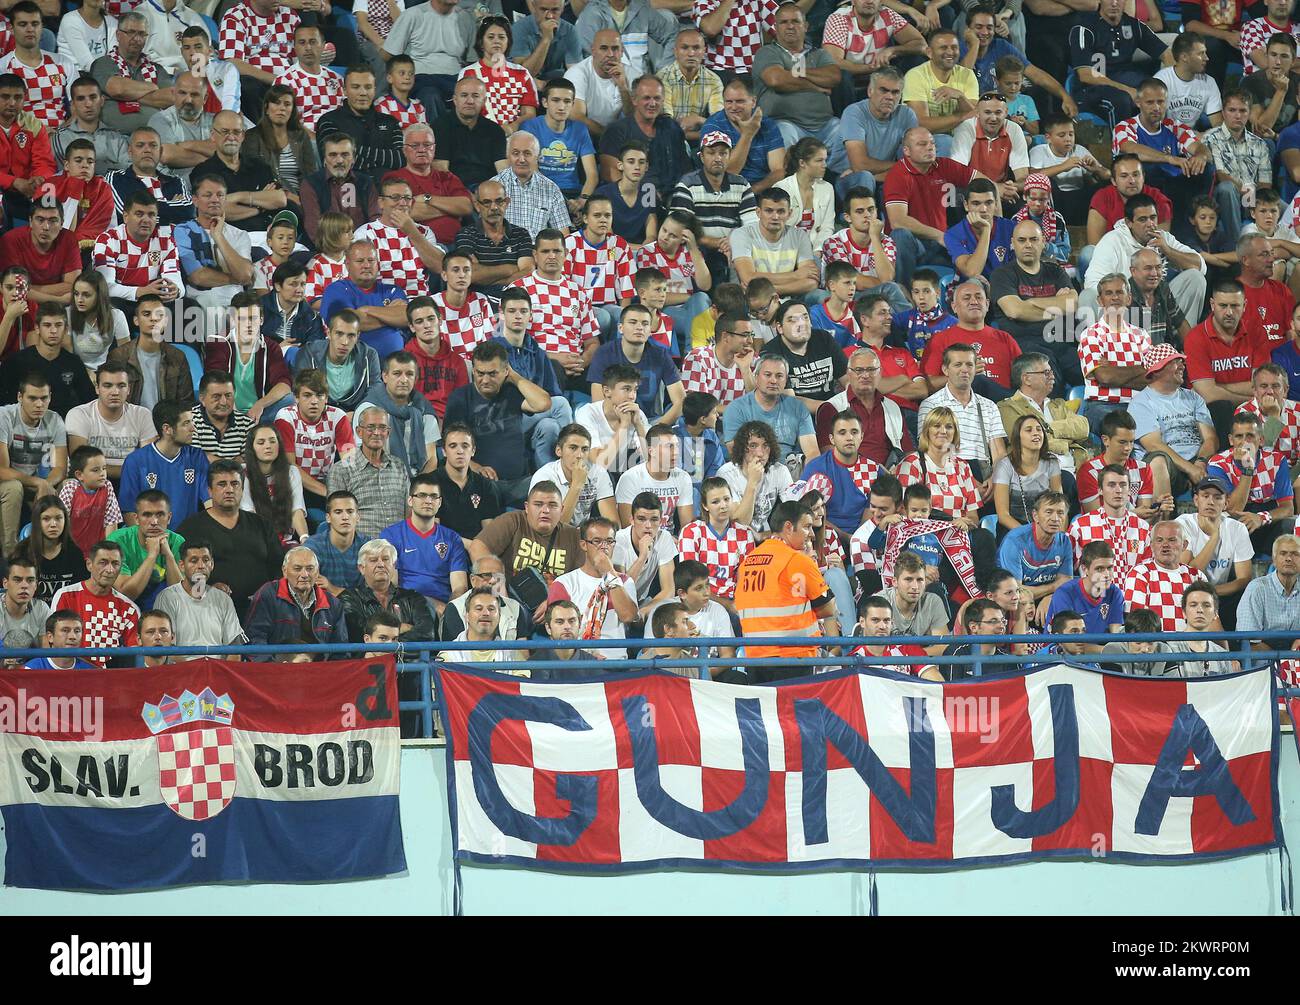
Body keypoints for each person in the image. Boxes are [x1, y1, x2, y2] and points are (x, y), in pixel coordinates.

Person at [734, 499, 837, 676]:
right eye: (807, 526)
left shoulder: (747, 562)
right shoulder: (797, 561)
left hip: (754, 658)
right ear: (789, 527)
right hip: (793, 657)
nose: (811, 533)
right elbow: (828, 608)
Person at [176, 459, 285, 620]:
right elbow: (180, 576)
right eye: (222, 484)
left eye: (235, 484)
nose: (229, 489)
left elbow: (278, 568)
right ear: (209, 491)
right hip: (209, 613)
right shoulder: (190, 528)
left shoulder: (262, 525)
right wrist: (208, 589)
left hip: (262, 612)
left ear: (242, 489)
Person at [1083, 196, 1207, 328]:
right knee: (1088, 296)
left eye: (1153, 218)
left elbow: (1200, 266)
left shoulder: (1163, 238)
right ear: (1128, 222)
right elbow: (1092, 284)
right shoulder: (1112, 241)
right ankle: (1108, 344)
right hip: (1126, 309)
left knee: (1195, 278)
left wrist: (1168, 250)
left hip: (1159, 306)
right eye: (1143, 219)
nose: (1150, 224)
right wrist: (1127, 300)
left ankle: (1181, 342)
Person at [752, 5, 846, 172]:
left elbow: (834, 76)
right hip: (786, 124)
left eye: (795, 21)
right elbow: (776, 80)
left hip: (825, 126)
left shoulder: (819, 54)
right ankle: (790, 186)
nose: (790, 26)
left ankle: (834, 183)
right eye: (784, 22)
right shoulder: (766, 52)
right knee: (783, 130)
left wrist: (795, 72)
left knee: (842, 128)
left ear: (806, 26)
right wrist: (816, 86)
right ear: (775, 27)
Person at [883, 127, 978, 283]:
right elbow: (897, 221)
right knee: (900, 234)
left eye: (932, 143)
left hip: (940, 246)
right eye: (922, 144)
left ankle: (976, 292)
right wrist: (939, 235)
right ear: (907, 151)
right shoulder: (898, 175)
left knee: (972, 232)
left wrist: (1001, 188)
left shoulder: (943, 165)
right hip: (915, 246)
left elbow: (983, 183)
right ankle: (902, 293)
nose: (930, 147)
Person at [1184, 279, 1273, 442]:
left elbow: (1261, 384)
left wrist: (1217, 388)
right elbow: (1209, 396)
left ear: (1244, 305)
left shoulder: (1256, 331)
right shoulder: (1196, 338)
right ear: (1212, 304)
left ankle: (1273, 460)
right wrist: (1252, 398)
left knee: (1273, 413)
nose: (1229, 312)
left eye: (1235, 306)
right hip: (1210, 413)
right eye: (1223, 306)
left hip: (1250, 410)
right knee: (1221, 407)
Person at [545, 514, 638, 658]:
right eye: (597, 541)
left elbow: (628, 616)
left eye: (609, 541)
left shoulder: (625, 582)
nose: (604, 547)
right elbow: (558, 632)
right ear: (584, 545)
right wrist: (586, 656)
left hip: (616, 664)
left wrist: (609, 573)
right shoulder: (564, 584)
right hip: (578, 665)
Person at [669, 130, 759, 279]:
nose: (718, 158)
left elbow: (752, 226)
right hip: (697, 250)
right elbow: (679, 229)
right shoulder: (687, 185)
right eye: (711, 153)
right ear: (702, 157)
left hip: (733, 248)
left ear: (729, 156)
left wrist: (733, 243)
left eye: (723, 153)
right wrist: (717, 243)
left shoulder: (741, 184)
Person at [1207, 410, 1297, 555]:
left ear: (1261, 440)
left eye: (1250, 436)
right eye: (1239, 436)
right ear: (1231, 440)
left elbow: (1288, 508)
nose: (1244, 442)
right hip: (1237, 521)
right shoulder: (1218, 464)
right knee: (1224, 523)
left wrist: (1261, 518)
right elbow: (1232, 508)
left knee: (1292, 524)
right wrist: (1247, 470)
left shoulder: (1276, 461)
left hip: (1267, 521)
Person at [1068, 0, 1168, 126]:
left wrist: (1173, 79)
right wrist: (1128, 90)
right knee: (1122, 100)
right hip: (1092, 88)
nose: (1114, 3)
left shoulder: (1133, 25)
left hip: (1125, 80)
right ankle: (1123, 143)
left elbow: (1166, 54)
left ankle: (1160, 140)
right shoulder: (1084, 28)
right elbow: (1085, 75)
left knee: (1159, 92)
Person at [998, 352, 1091, 484]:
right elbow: (1025, 442)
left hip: (1076, 469)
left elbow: (1083, 427)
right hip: (1037, 476)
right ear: (1027, 379)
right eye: (1046, 373)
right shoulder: (1007, 407)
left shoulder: (1058, 404)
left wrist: (1048, 427)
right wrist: (1066, 441)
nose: (1053, 377)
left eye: (1052, 372)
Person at [0, 374, 67, 557]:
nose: (39, 404)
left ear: (50, 397)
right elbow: (2, 471)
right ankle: (11, 555)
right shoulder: (4, 417)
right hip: (9, 483)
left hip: (36, 482)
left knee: (68, 485)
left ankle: (61, 550)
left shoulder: (55, 420)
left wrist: (46, 484)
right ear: (20, 397)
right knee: (13, 488)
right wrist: (39, 482)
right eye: (32, 398)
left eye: (44, 398)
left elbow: (60, 467)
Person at [598, 77, 689, 209]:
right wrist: (641, 194)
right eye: (646, 98)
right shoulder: (617, 130)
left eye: (657, 98)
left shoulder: (671, 128)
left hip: (673, 195)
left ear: (663, 100)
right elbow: (610, 173)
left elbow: (685, 167)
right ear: (634, 100)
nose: (652, 103)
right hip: (635, 197)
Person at [1177, 475, 1254, 631]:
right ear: (1196, 500)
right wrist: (1215, 537)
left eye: (1217, 497)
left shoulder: (1236, 529)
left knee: (1246, 594)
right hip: (1186, 593)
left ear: (1226, 503)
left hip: (1220, 593)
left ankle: (1241, 648)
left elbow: (1244, 578)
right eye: (1205, 496)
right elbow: (1187, 573)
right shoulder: (1183, 524)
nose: (1211, 502)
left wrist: (1211, 593)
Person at [325, 401, 411, 538]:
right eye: (370, 428)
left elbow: (409, 512)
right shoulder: (341, 470)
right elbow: (337, 520)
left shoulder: (399, 466)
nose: (377, 433)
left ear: (388, 433)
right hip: (362, 549)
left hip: (399, 546)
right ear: (359, 432)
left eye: (382, 428)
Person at [118, 400, 208, 529]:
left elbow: (209, 501)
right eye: (186, 423)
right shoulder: (136, 461)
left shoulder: (197, 457)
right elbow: (129, 511)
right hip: (149, 539)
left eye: (192, 422)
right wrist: (145, 544)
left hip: (187, 541)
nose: (193, 428)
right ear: (167, 429)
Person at [50, 539, 140, 664]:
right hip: (72, 674)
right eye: (103, 563)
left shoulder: (129, 608)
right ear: (89, 565)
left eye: (115, 564)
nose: (110, 570)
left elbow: (135, 654)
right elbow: (54, 642)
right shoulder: (65, 596)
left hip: (110, 679)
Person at [380, 0, 474, 117]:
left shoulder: (465, 18)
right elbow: (387, 55)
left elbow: (472, 60)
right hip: (421, 80)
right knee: (430, 94)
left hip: (454, 79)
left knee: (473, 94)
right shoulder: (413, 15)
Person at [153, 539, 248, 655]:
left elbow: (234, 650)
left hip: (216, 670)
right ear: (182, 566)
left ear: (212, 564)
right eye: (194, 561)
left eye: (206, 560)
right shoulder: (167, 598)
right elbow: (165, 651)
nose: (201, 566)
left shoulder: (224, 599)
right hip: (182, 670)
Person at [245, 546, 349, 650]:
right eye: (297, 568)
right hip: (279, 664)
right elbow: (254, 638)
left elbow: (341, 649)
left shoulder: (333, 604)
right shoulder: (268, 595)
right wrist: (271, 665)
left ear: (317, 572)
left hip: (320, 665)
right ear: (285, 571)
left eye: (310, 569)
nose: (304, 574)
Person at [0, 304, 95, 418]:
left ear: (66, 329)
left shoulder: (74, 362)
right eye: (47, 325)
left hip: (64, 426)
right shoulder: (16, 362)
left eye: (58, 325)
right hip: (23, 428)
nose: (53, 330)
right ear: (37, 328)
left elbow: (89, 402)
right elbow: (4, 402)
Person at [318, 240, 409, 359]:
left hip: (395, 369)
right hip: (353, 364)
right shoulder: (336, 290)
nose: (366, 265)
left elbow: (407, 317)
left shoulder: (393, 291)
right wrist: (391, 316)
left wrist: (366, 310)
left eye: (371, 260)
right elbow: (348, 324)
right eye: (360, 261)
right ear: (347, 264)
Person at [64, 361, 156, 480]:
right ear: (97, 388)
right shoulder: (79, 414)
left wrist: (99, 469)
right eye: (107, 386)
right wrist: (130, 470)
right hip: (92, 482)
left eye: (121, 386)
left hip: (132, 482)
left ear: (128, 389)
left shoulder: (142, 414)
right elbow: (81, 463)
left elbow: (148, 462)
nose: (115, 392)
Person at [1068, 462, 1152, 591]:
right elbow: (1067, 571)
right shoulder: (1080, 527)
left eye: (1123, 485)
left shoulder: (1144, 528)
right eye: (1111, 485)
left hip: (1134, 602)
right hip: (1095, 600)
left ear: (1129, 490)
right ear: (1100, 490)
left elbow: (1149, 572)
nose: (1118, 490)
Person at [386, 123, 472, 248]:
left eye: (427, 145)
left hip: (459, 245)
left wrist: (428, 199)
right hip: (418, 247)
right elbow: (403, 213)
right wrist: (452, 211)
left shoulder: (447, 177)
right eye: (415, 146)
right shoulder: (394, 178)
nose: (421, 150)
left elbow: (466, 206)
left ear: (434, 149)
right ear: (404, 150)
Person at [721, 355, 820, 463]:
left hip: (790, 470)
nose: (773, 381)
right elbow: (736, 452)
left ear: (786, 379)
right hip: (752, 468)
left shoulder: (798, 407)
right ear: (756, 377)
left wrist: (806, 478)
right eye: (767, 375)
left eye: (779, 376)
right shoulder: (736, 409)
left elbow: (812, 453)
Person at [90, 12, 175, 135]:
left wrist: (127, 94)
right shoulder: (104, 63)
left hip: (155, 139)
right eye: (131, 32)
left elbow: (170, 98)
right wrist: (152, 87)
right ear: (118, 35)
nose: (136, 38)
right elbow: (118, 89)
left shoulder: (156, 69)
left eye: (141, 33)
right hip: (115, 137)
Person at [314, 66, 404, 182]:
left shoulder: (391, 122)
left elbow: (399, 160)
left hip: (387, 192)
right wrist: (383, 160)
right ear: (344, 90)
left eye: (368, 87)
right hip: (344, 190)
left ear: (374, 90)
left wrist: (356, 151)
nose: (363, 93)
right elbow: (335, 162)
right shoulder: (328, 121)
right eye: (356, 87)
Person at [339, 537, 438, 641]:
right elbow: (358, 634)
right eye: (373, 560)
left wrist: (386, 641)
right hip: (369, 657)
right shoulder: (348, 599)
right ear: (362, 568)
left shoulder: (413, 598)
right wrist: (400, 628)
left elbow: (427, 633)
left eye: (385, 559)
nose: (381, 564)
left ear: (394, 565)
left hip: (407, 657)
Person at [524, 79, 597, 218]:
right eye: (556, 100)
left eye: (567, 101)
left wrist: (582, 200)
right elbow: (532, 170)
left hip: (574, 194)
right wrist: (558, 201)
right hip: (540, 192)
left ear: (573, 104)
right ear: (545, 102)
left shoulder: (580, 129)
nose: (562, 107)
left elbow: (592, 174)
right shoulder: (530, 127)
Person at [730, 188, 819, 299]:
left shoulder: (800, 235)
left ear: (789, 213)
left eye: (781, 211)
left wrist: (772, 291)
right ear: (758, 212)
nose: (775, 217)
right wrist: (796, 275)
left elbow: (811, 282)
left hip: (787, 301)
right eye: (769, 211)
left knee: (819, 295)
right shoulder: (742, 234)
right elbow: (748, 277)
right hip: (752, 299)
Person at [1122, 519, 1206, 632]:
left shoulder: (1197, 576)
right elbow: (1136, 625)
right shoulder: (1139, 573)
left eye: (1172, 540)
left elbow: (1211, 621)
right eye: (1159, 540)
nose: (1165, 545)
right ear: (1151, 546)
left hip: (1191, 646)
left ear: (1184, 545)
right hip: (1156, 646)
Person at [105, 488, 182, 607]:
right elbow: (126, 595)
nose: (154, 522)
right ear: (136, 518)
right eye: (147, 515)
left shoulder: (177, 541)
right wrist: (152, 555)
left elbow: (180, 597)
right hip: (122, 608)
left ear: (169, 517)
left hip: (162, 607)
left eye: (160, 514)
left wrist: (168, 555)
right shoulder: (117, 540)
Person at [531, 423, 618, 529]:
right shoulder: (544, 477)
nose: (579, 455)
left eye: (584, 449)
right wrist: (577, 484)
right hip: (551, 537)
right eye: (573, 448)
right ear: (559, 451)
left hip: (584, 536)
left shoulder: (598, 473)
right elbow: (555, 528)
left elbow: (613, 523)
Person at [431, 76, 508, 193]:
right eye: (464, 95)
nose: (470, 101)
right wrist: (465, 195)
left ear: (484, 101)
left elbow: (503, 170)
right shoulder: (440, 126)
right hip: (454, 191)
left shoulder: (495, 130)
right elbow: (441, 170)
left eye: (475, 96)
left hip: (488, 191)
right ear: (455, 100)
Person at [241, 83, 318, 199]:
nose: (282, 108)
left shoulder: (300, 136)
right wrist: (288, 196)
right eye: (277, 103)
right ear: (266, 108)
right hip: (269, 197)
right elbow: (253, 175)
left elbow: (311, 175)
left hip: (302, 198)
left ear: (292, 110)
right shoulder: (252, 137)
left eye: (287, 104)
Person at [0, 202, 81, 312]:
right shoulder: (11, 240)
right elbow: (14, 291)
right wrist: (58, 300)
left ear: (62, 223)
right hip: (22, 306)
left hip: (56, 309)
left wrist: (29, 289)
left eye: (53, 221)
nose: (46, 227)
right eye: (40, 220)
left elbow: (73, 286)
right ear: (30, 221)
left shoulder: (69, 239)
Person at [301, 135, 380, 244]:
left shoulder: (365, 182)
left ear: (353, 159)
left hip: (363, 249)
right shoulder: (311, 184)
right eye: (333, 155)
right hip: (328, 250)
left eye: (345, 155)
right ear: (324, 159)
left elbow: (375, 221)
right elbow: (314, 228)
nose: (339, 160)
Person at [767, 299, 847, 406]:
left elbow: (847, 378)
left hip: (832, 410)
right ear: (780, 328)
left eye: (805, 318)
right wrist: (829, 408)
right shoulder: (771, 352)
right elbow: (789, 401)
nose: (801, 324)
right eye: (792, 320)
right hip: (795, 416)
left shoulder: (824, 339)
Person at [991, 413, 1062, 533]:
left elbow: (1060, 506)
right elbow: (1003, 515)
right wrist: (1030, 535)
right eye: (1029, 430)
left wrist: (1059, 535)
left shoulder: (1052, 463)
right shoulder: (1004, 465)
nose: (1036, 433)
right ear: (1018, 437)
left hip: (1045, 528)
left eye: (1039, 429)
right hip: (1013, 530)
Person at [615, 424, 694, 530]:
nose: (676, 452)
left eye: (677, 446)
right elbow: (628, 528)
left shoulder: (683, 478)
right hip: (639, 540)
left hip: (670, 541)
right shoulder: (630, 478)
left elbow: (687, 527)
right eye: (669, 446)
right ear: (651, 451)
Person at [145, 72, 217, 188]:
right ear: (173, 94)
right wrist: (214, 162)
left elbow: (227, 151)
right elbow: (167, 154)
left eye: (195, 94)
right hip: (173, 186)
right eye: (182, 93)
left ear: (205, 98)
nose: (188, 100)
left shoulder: (216, 121)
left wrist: (184, 145)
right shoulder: (161, 119)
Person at [576, 363, 649, 476]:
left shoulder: (637, 414)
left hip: (626, 474)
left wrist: (639, 425)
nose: (632, 396)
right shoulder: (587, 414)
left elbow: (652, 462)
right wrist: (624, 425)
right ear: (607, 391)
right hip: (593, 477)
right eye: (626, 389)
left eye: (635, 390)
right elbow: (600, 463)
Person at [241, 425, 308, 547]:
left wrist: (305, 539)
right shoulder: (242, 473)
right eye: (261, 443)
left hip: (285, 539)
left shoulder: (291, 472)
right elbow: (249, 513)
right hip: (254, 539)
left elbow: (296, 510)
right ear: (252, 448)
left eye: (273, 441)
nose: (268, 446)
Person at [52, 75, 129, 178]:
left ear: (102, 101)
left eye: (93, 97)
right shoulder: (60, 137)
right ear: (73, 105)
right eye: (81, 99)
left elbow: (128, 172)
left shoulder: (117, 137)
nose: (88, 104)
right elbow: (71, 174)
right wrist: (111, 166)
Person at [12, 497, 86, 604]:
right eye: (46, 519)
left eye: (58, 518)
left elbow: (79, 594)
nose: (53, 524)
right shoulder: (22, 551)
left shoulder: (75, 553)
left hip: (65, 616)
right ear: (37, 521)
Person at [657, 27, 722, 145]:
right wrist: (704, 129)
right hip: (669, 142)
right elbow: (667, 126)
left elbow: (719, 124)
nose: (691, 53)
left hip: (703, 143)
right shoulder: (662, 78)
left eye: (696, 48)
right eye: (685, 48)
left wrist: (698, 119)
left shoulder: (714, 81)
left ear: (704, 51)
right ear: (675, 51)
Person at [303, 490, 369, 596]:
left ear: (358, 517)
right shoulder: (313, 546)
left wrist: (332, 588)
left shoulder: (368, 546)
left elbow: (375, 591)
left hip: (362, 609)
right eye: (338, 512)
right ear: (328, 518)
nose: (345, 517)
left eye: (350, 511)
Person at [58, 0, 119, 75]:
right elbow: (86, 62)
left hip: (104, 75)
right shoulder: (70, 20)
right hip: (74, 74)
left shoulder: (112, 23)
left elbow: (113, 56)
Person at [374, 54, 429, 131]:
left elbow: (424, 133)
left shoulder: (418, 107)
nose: (407, 77)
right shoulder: (382, 104)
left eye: (411, 73)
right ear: (389, 78)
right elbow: (386, 133)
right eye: (402, 73)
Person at [0, 557, 49, 641]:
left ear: (36, 585)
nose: (24, 586)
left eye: (30, 580)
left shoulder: (41, 609)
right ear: (5, 583)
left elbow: (47, 651)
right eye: (17, 580)